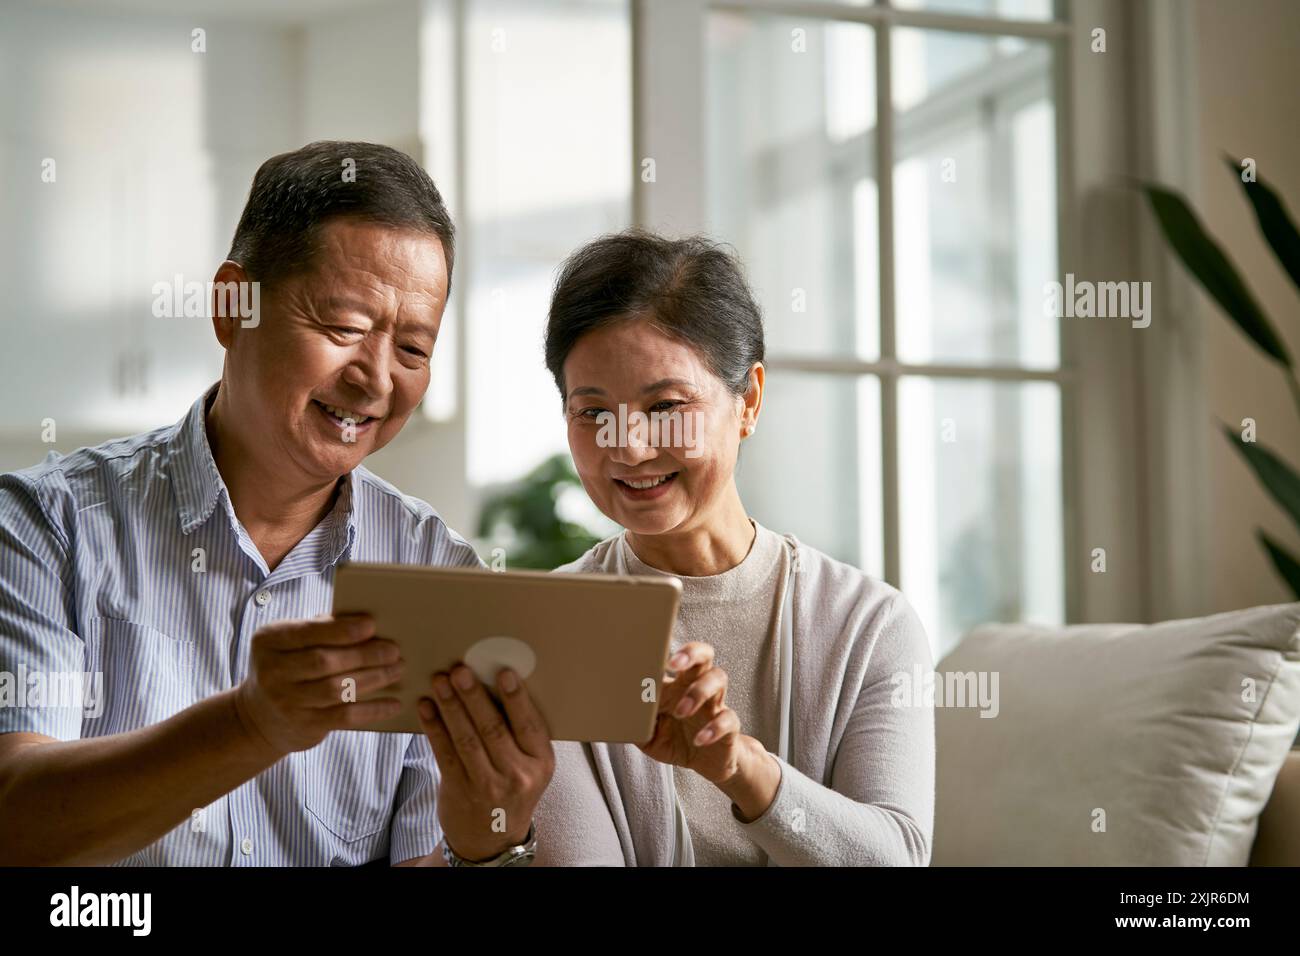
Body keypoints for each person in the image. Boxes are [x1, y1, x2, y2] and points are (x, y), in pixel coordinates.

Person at [0, 141, 554, 867]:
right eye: (344, 327)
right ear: (232, 306)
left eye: (412, 350)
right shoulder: (47, 526)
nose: (375, 379)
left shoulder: (436, 571)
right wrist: (250, 724)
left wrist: (490, 840)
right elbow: (16, 823)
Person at [536, 229, 935, 866]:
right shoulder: (550, 627)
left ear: (747, 400)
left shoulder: (867, 625)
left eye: (665, 405)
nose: (629, 448)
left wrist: (738, 766)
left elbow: (895, 859)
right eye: (592, 412)